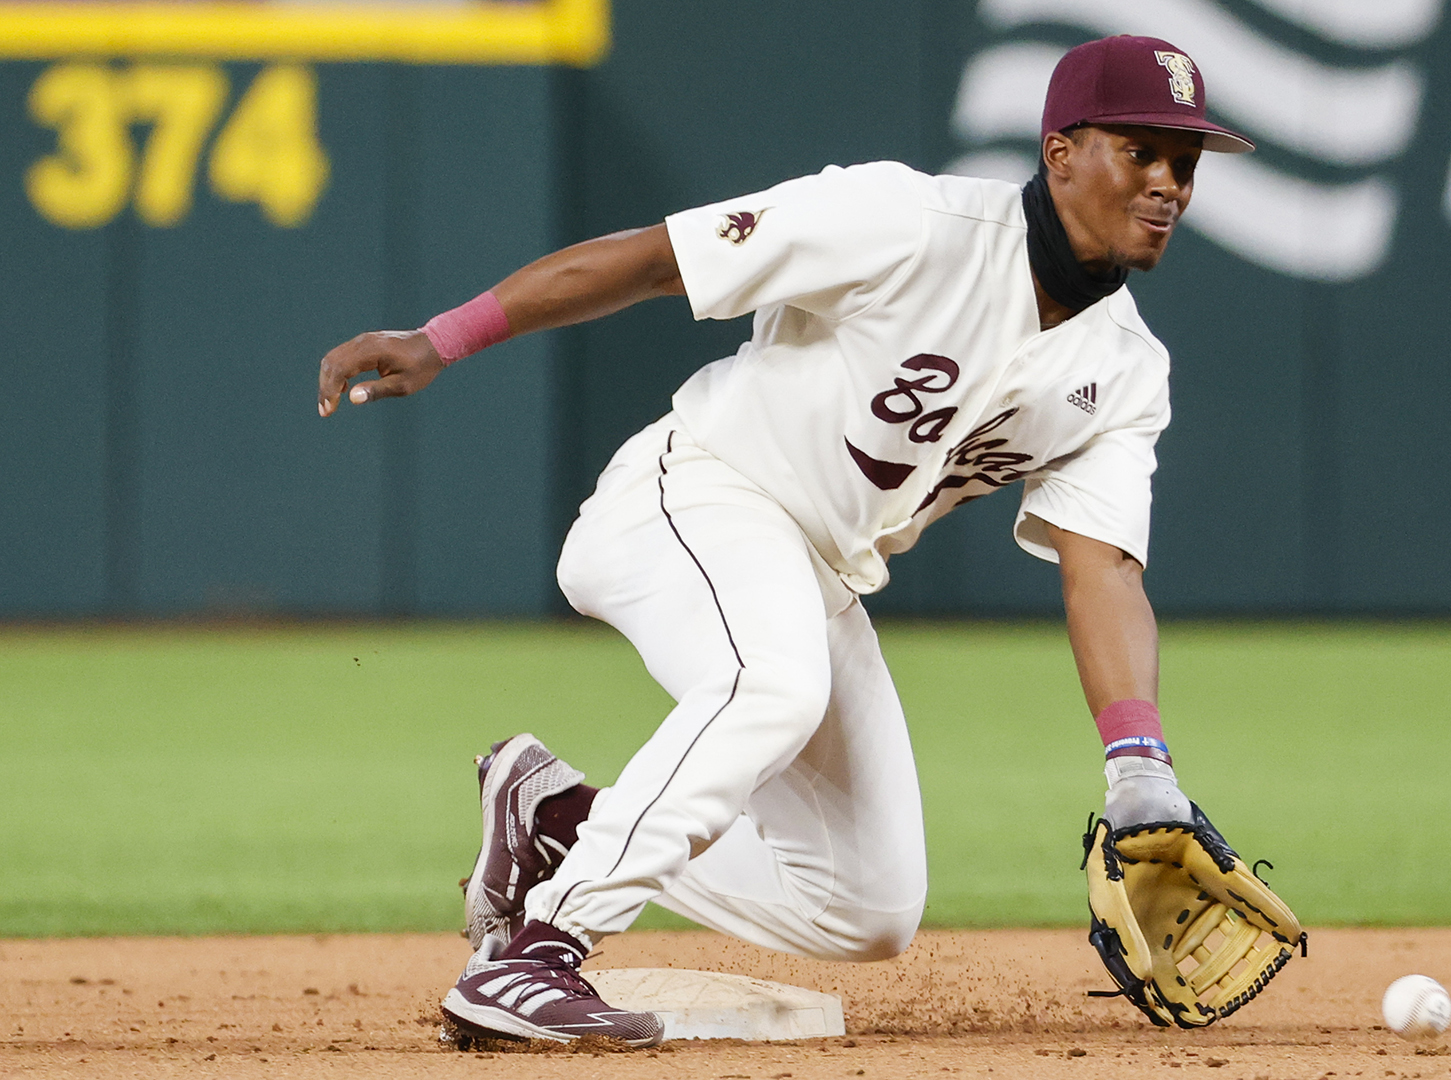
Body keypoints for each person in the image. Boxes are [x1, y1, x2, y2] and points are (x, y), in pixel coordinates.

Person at [317, 35, 1255, 1047]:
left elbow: (1102, 565)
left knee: (869, 905)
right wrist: (444, 338)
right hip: (698, 496)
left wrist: (1138, 764)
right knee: (775, 682)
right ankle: (542, 953)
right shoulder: (906, 219)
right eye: (1141, 151)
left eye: (1186, 164)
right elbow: (651, 259)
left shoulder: (1124, 370)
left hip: (815, 574)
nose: (1168, 184)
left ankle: (557, 821)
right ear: (1061, 151)